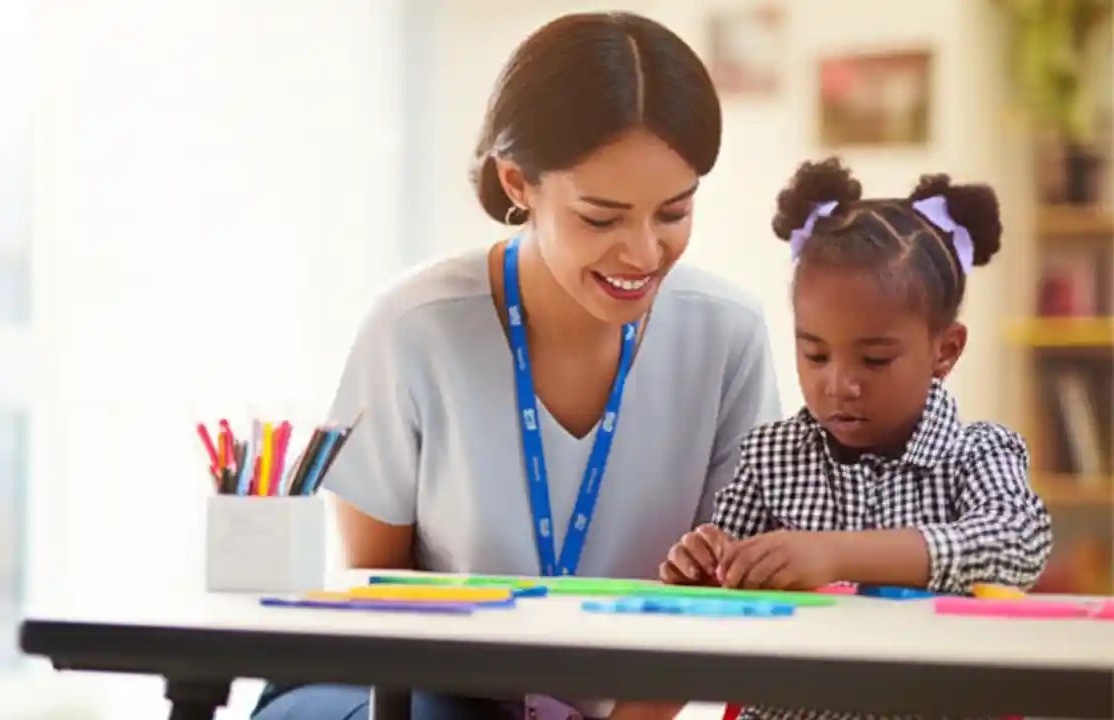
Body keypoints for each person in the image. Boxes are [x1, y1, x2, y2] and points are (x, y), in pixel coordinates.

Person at [252, 10, 781, 720]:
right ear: (519, 183)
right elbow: (377, 593)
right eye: (602, 217)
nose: (644, 253)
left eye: (674, 213)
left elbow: (719, 594)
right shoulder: (416, 326)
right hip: (396, 690)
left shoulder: (728, 338)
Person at [660, 158, 1053, 720]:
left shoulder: (979, 453)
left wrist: (837, 553)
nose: (839, 385)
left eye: (874, 359)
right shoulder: (771, 456)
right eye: (814, 354)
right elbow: (728, 591)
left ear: (945, 350)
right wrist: (704, 563)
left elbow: (1018, 543)